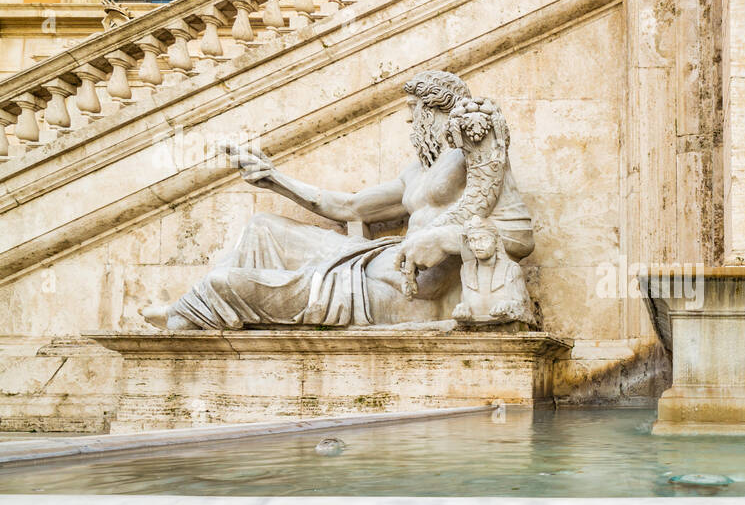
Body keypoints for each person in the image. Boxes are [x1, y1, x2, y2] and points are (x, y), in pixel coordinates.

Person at [139, 71, 534, 329]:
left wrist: (445, 240)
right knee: (263, 228)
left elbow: (519, 236)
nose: (410, 123)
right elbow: (350, 207)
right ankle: (194, 306)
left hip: (401, 294)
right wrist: (275, 180)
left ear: (436, 111)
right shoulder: (417, 174)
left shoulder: (480, 157)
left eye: (414, 112)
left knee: (228, 283)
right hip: (371, 261)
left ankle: (194, 310)